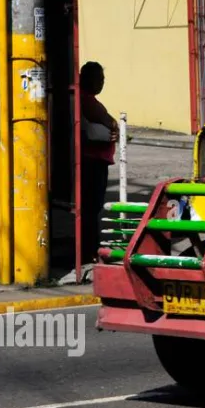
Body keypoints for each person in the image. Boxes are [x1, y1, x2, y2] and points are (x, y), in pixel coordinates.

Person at [79, 62, 117, 263]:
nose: (102, 83)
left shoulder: (87, 99)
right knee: (91, 208)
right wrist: (113, 126)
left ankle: (90, 249)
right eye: (99, 79)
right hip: (93, 162)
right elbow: (110, 122)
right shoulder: (87, 100)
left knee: (91, 208)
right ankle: (90, 250)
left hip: (95, 160)